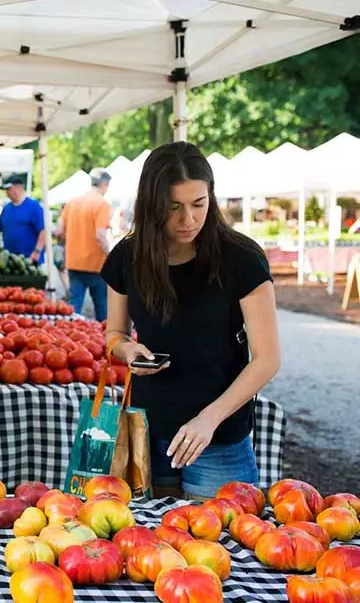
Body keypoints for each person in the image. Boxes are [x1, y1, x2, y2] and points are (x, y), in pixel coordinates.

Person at [100, 141, 280, 500]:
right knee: (153, 548)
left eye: (199, 204)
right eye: (174, 208)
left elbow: (268, 358)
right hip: (148, 430)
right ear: (151, 207)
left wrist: (209, 419)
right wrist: (128, 350)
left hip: (219, 435)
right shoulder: (127, 257)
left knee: (222, 548)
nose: (189, 219)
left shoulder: (241, 258)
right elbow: (114, 334)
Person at [56, 169, 112, 319]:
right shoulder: (102, 204)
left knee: (74, 308)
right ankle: (105, 340)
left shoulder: (72, 202)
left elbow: (59, 230)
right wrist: (112, 256)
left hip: (74, 262)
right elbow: (100, 236)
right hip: (96, 265)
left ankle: (68, 337)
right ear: (105, 185)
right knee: (102, 308)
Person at [0, 174, 46, 263]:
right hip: (10, 260)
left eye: (9, 189)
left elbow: (43, 231)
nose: (7, 192)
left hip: (29, 260)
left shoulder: (34, 207)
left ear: (19, 188)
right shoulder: (7, 208)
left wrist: (37, 251)